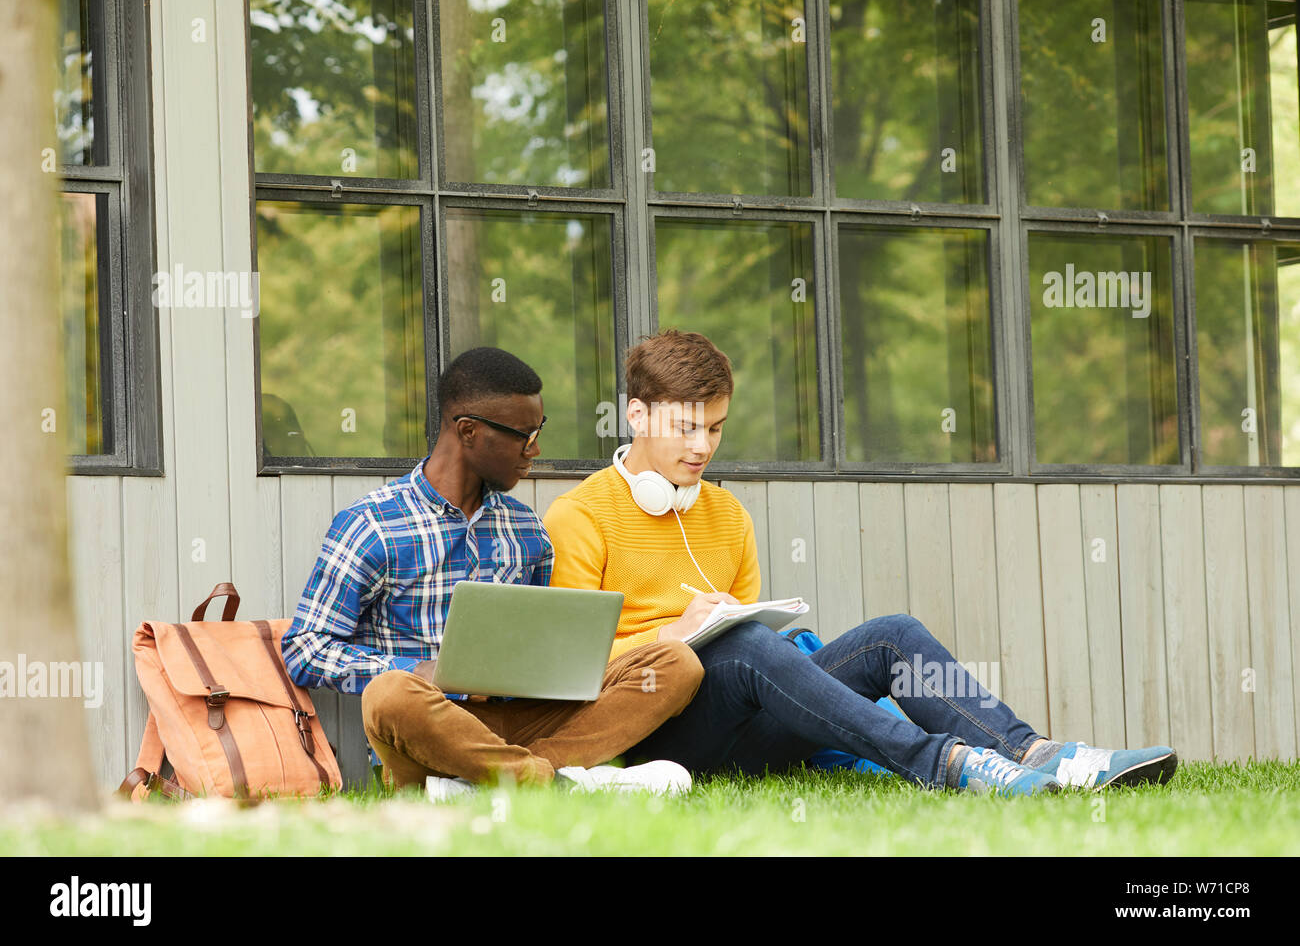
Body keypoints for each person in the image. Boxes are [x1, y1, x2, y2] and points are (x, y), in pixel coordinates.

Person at [542, 330, 1179, 795]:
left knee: (891, 636)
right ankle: (951, 766)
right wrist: (676, 633)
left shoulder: (727, 514)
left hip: (751, 725)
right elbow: (567, 683)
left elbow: (760, 640)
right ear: (636, 414)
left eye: (715, 428)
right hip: (662, 740)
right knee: (738, 651)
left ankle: (1041, 754)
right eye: (685, 427)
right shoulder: (579, 517)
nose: (702, 446)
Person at [281, 347, 704, 798]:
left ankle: (511, 780)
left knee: (676, 663)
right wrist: (421, 670)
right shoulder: (371, 525)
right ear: (468, 431)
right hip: (435, 728)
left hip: (523, 718)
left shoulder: (528, 531)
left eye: (539, 432)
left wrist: (560, 665)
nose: (535, 450)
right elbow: (304, 650)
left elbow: (543, 642)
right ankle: (554, 782)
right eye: (524, 436)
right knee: (388, 696)